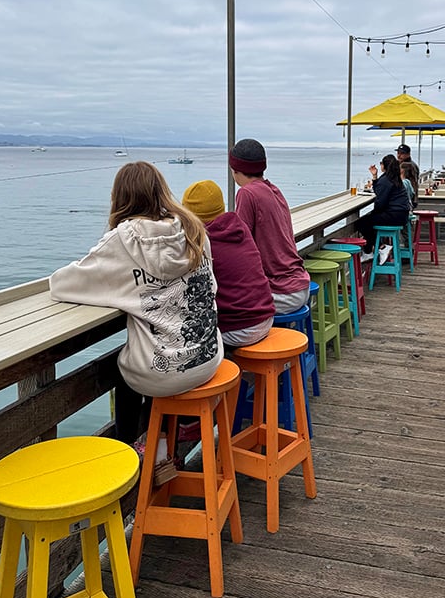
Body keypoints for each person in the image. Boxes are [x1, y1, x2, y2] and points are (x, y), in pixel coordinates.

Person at [49, 161, 223, 448]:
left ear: (119, 197)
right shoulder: (194, 230)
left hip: (166, 373)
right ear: (162, 192)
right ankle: (165, 442)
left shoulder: (122, 240)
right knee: (151, 354)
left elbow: (62, 284)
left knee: (123, 366)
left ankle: (129, 451)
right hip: (209, 358)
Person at [182, 179, 275, 348]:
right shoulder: (240, 227)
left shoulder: (204, 244)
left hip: (238, 329)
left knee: (186, 336)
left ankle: (223, 370)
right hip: (266, 317)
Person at [229, 138, 310, 314]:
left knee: (223, 304)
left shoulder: (246, 193)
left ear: (235, 170)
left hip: (280, 292)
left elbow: (240, 243)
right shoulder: (273, 189)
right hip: (301, 283)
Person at [357, 154, 410, 255]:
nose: (380, 165)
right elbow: (380, 190)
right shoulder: (394, 177)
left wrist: (373, 213)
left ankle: (381, 247)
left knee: (362, 223)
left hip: (394, 216)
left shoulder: (386, 180)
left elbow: (380, 203)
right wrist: (374, 176)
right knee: (369, 222)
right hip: (402, 216)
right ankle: (370, 251)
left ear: (384, 166)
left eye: (381, 163)